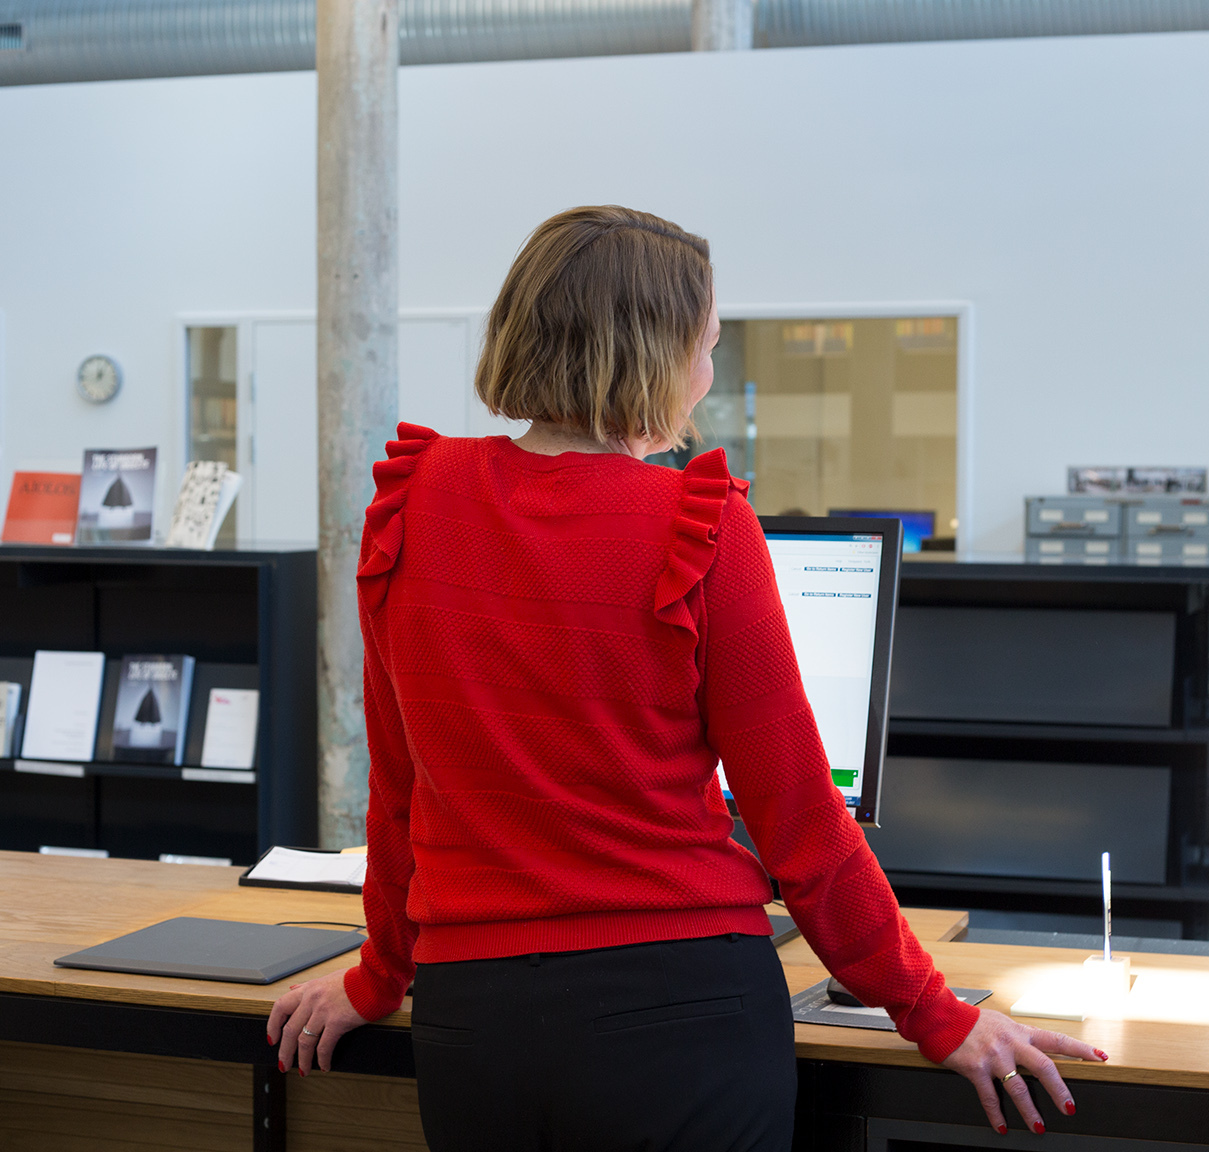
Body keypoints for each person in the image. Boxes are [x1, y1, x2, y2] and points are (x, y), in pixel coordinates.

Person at [266, 205, 1105, 1148]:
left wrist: (379, 977)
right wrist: (937, 1013)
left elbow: (400, 791)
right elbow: (800, 824)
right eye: (705, 347)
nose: (709, 374)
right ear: (653, 355)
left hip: (478, 1022)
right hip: (683, 1008)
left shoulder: (414, 502)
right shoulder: (695, 523)